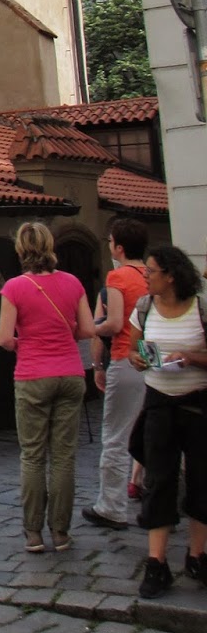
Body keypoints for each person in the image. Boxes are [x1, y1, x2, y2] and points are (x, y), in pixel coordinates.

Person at [0, 221, 94, 553]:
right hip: (70, 374)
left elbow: (4, 338)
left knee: (33, 456)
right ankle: (61, 532)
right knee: (64, 457)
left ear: (21, 250)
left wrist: (25, 342)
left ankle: (34, 532)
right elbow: (87, 330)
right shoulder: (73, 283)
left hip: (33, 375)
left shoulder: (14, 287)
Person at [126, 244, 207, 599]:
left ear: (171, 275)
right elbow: (133, 348)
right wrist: (138, 360)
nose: (146, 277)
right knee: (159, 479)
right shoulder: (144, 309)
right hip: (159, 401)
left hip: (198, 403)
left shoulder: (201, 309)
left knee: (202, 478)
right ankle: (157, 562)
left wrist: (189, 357)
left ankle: (198, 554)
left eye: (152, 272)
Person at [82, 218, 149, 531]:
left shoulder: (118, 275)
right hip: (154, 359)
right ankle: (154, 501)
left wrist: (83, 329)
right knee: (151, 433)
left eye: (110, 241)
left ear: (119, 247)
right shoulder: (153, 274)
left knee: (115, 435)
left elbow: (115, 322)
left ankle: (111, 506)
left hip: (125, 356)